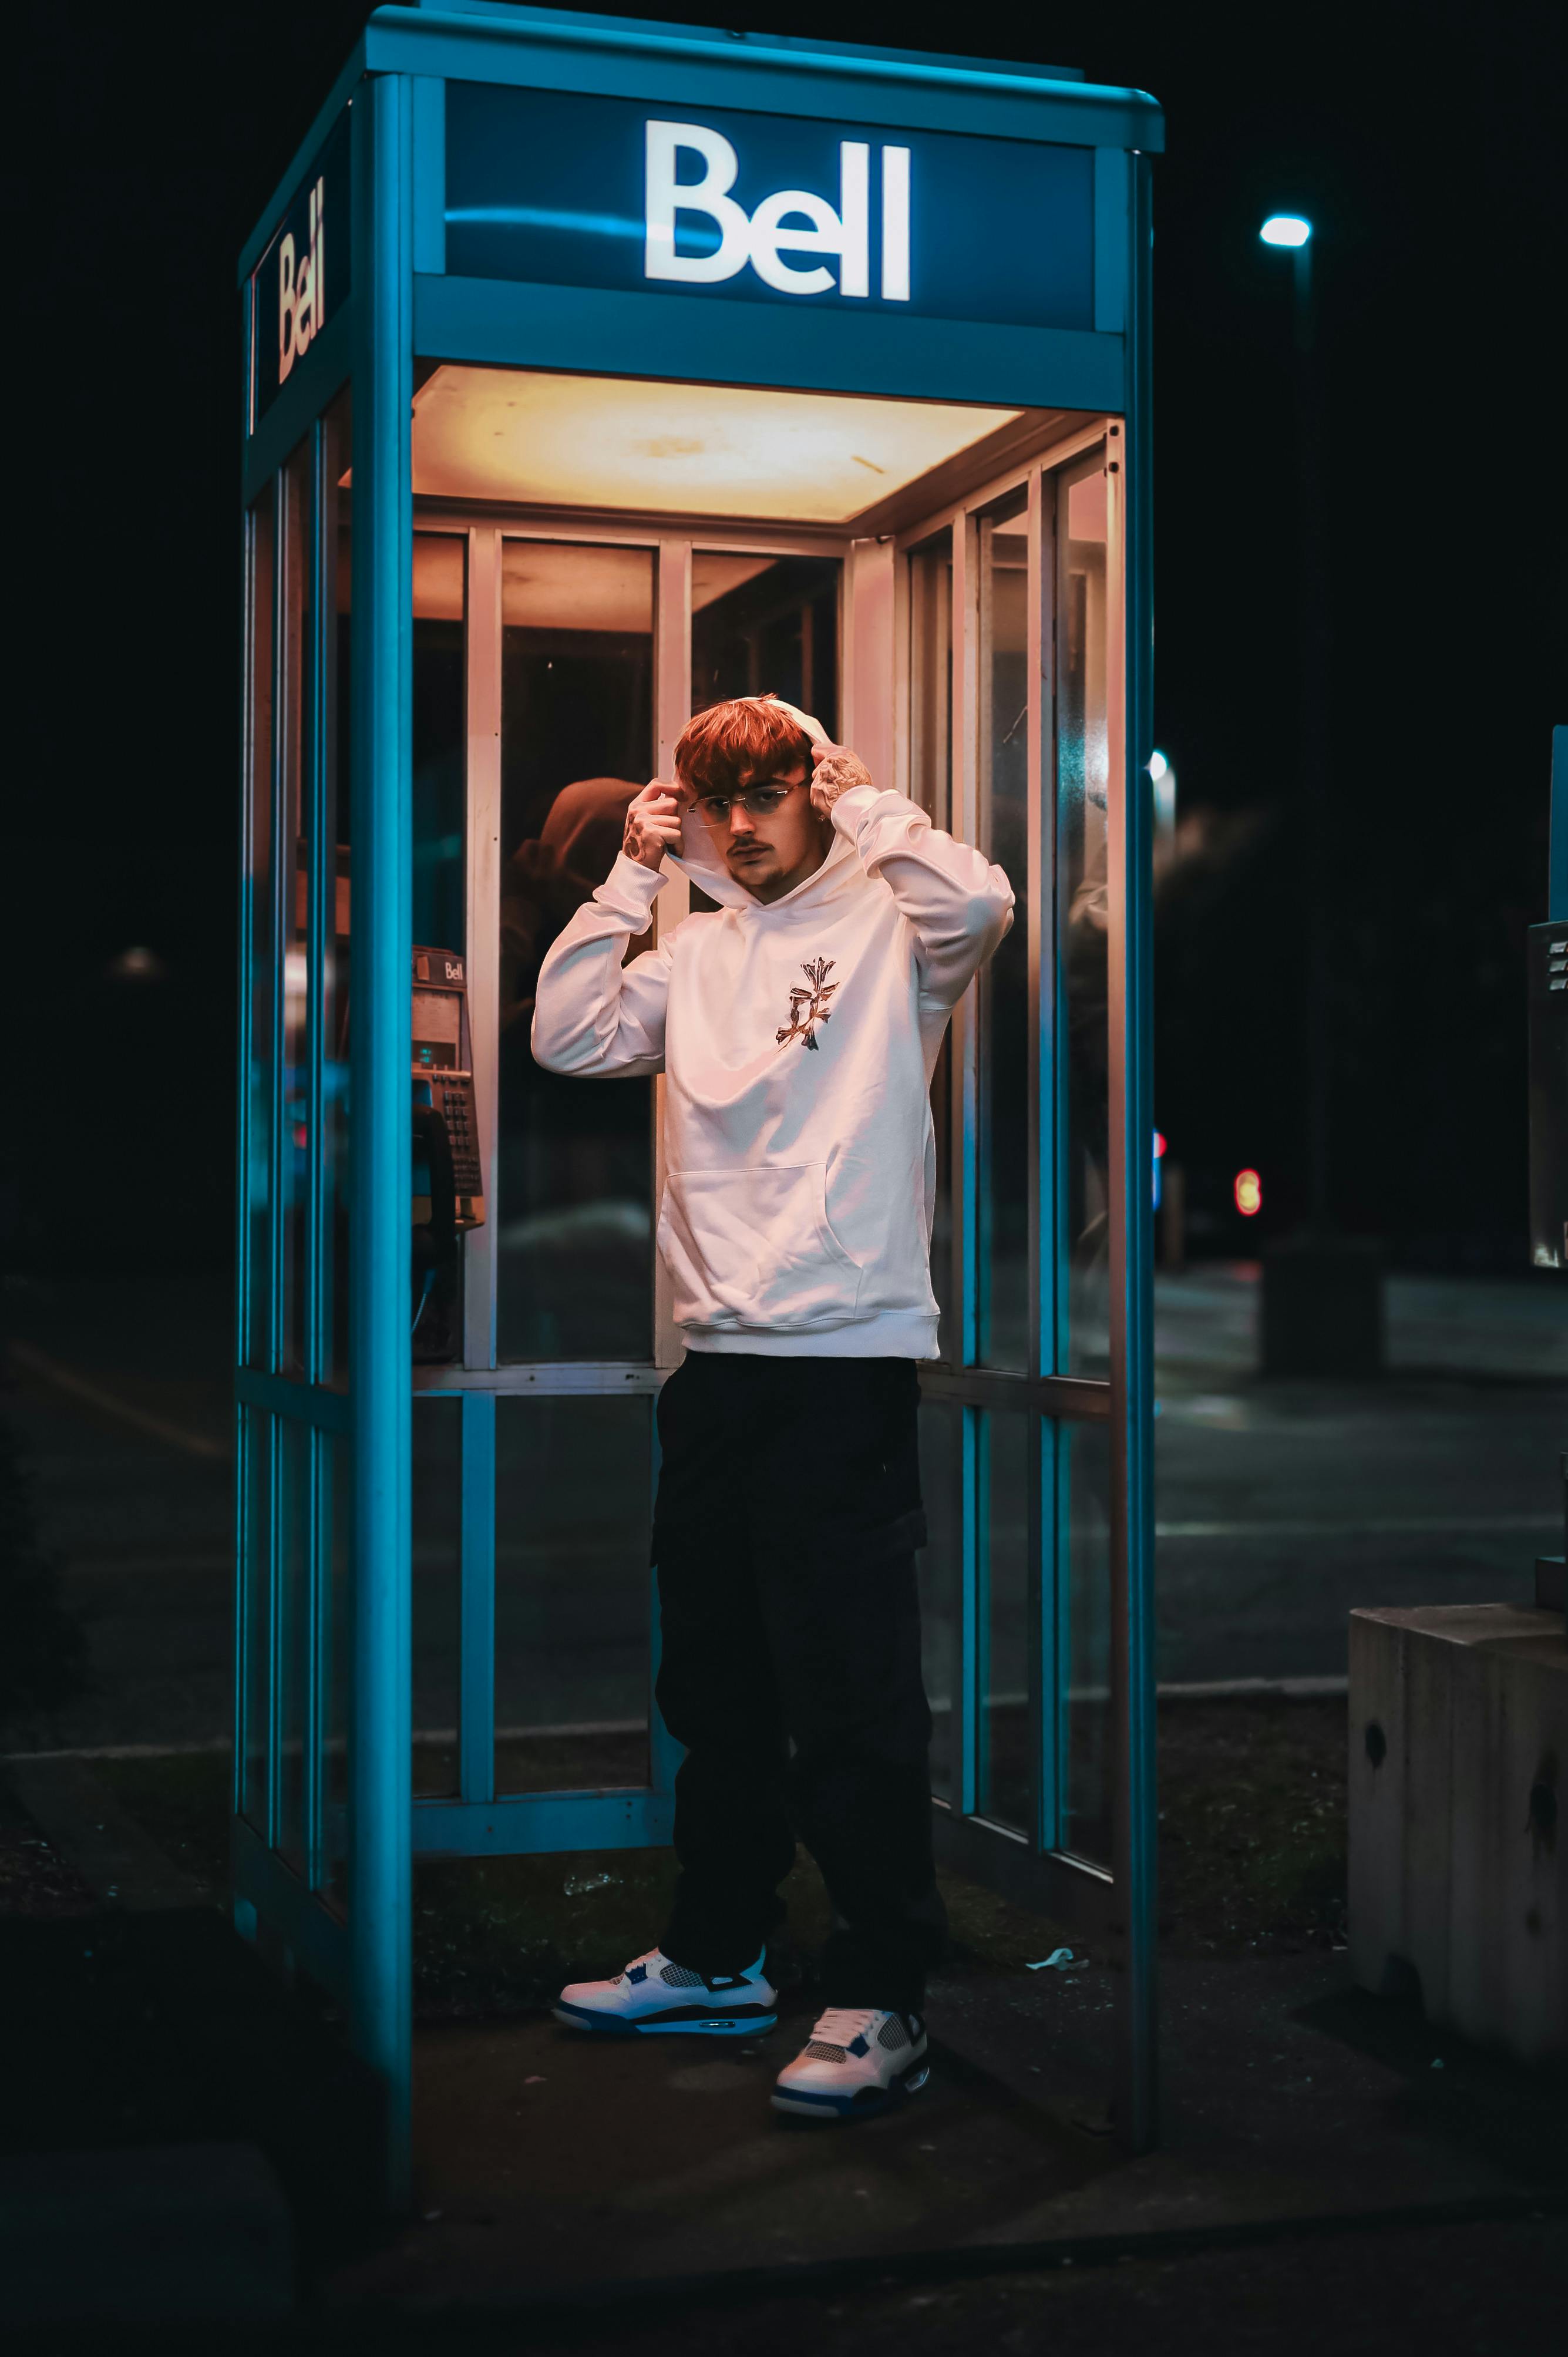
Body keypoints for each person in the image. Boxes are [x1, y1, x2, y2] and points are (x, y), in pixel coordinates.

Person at [531, 694, 1013, 2121]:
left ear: (813, 790)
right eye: (715, 802)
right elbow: (564, 1036)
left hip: (843, 1353)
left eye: (770, 796)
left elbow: (980, 900)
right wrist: (631, 870)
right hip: (714, 1363)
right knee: (718, 1681)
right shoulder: (694, 945)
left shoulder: (890, 929)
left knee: (850, 1689)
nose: (743, 828)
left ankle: (882, 1991)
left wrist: (867, 804)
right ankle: (718, 1951)